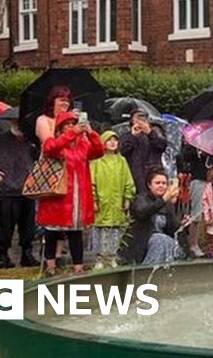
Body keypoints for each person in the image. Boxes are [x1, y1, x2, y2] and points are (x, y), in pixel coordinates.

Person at [37, 110, 104, 275]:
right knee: (52, 231)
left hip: (78, 196)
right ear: (59, 128)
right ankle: (50, 265)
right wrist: (72, 134)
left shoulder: (83, 144)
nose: (72, 127)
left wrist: (91, 133)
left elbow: (99, 151)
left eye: (74, 124)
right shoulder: (55, 142)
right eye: (67, 125)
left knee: (76, 232)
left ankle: (78, 266)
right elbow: (49, 148)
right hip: (57, 195)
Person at [0, 113, 37, 268]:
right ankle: (1, 256)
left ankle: (27, 254)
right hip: (4, 191)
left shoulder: (33, 142)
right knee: (2, 228)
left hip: (27, 190)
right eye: (16, 122)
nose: (19, 125)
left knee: (28, 228)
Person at [90, 130, 136, 268]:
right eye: (109, 140)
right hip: (102, 202)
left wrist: (127, 197)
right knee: (100, 230)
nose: (112, 142)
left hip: (117, 203)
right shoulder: (97, 161)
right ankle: (99, 258)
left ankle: (112, 256)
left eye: (115, 140)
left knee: (115, 230)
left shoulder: (121, 161)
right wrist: (93, 200)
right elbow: (92, 181)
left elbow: (128, 180)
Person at [121, 169, 185, 265]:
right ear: (149, 185)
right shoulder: (140, 199)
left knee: (172, 244)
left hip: (162, 241)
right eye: (157, 183)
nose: (161, 186)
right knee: (159, 240)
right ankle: (146, 271)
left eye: (164, 183)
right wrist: (163, 200)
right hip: (142, 243)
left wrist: (184, 224)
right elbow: (143, 212)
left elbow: (173, 229)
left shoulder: (167, 205)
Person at [121, 109, 168, 194]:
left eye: (143, 117)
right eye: (138, 117)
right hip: (135, 175)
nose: (140, 120)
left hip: (153, 174)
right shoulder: (127, 136)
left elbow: (162, 146)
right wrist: (132, 136)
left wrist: (150, 133)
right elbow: (123, 151)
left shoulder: (155, 133)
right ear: (132, 120)